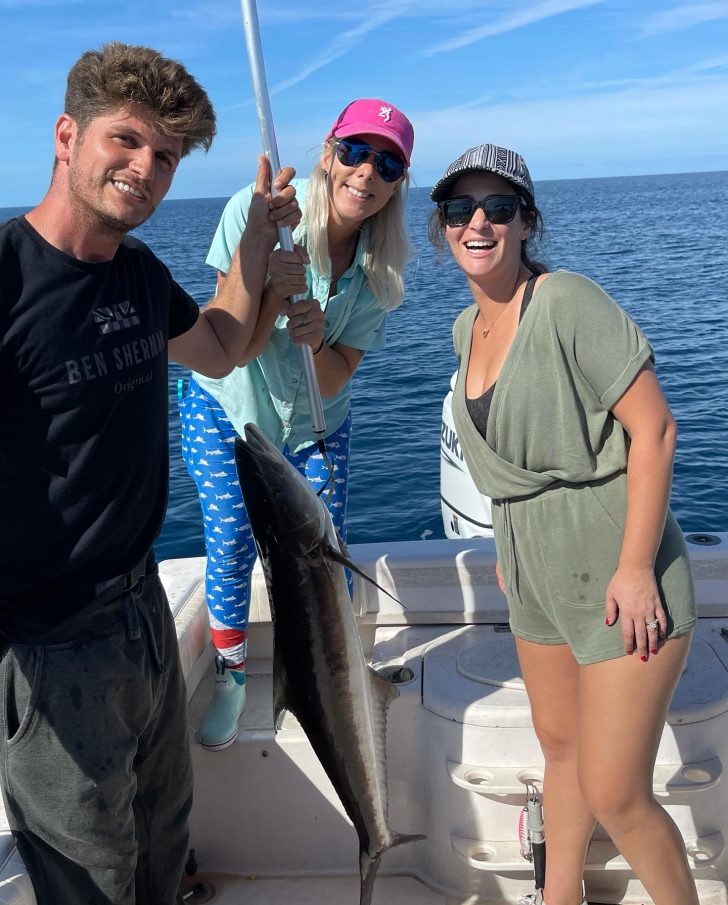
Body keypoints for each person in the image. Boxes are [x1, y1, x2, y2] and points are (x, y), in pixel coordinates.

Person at [0, 42, 301, 905]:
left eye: (165, 156)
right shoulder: (7, 277)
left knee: (162, 839)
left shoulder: (137, 274)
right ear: (68, 135)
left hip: (143, 617)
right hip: (50, 640)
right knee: (90, 878)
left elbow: (221, 345)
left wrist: (254, 240)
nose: (145, 168)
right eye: (125, 141)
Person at [430, 145, 698, 905]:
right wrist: (513, 548)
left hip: (618, 568)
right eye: (459, 210)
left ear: (526, 223)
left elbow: (656, 431)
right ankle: (560, 897)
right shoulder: (461, 332)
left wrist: (637, 565)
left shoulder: (567, 299)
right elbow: (511, 466)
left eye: (498, 209)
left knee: (616, 790)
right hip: (536, 574)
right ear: (442, 227)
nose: (477, 222)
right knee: (561, 746)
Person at [179, 98, 414, 751]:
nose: (366, 172)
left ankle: (336, 672)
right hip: (229, 404)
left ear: (398, 183)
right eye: (355, 151)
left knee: (324, 551)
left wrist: (314, 340)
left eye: (387, 162)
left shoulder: (381, 273)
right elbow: (229, 346)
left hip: (315, 421)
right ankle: (230, 674)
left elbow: (338, 376)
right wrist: (274, 294)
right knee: (230, 538)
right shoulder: (256, 212)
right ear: (328, 152)